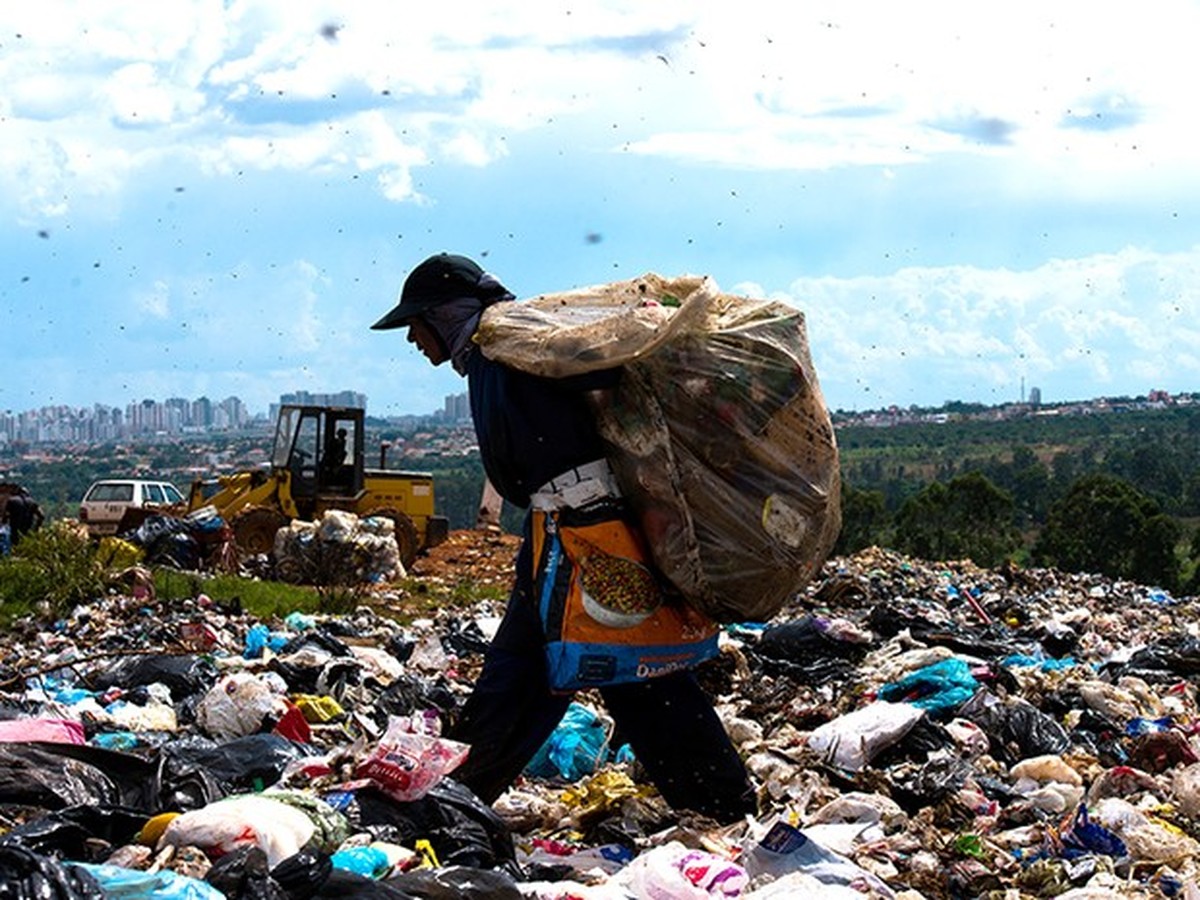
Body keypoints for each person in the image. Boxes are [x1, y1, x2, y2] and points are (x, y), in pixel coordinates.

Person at [372, 252, 756, 823]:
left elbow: (611, 376)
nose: (413, 341)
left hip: (593, 534)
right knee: (526, 671)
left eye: (415, 325)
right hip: (558, 534)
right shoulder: (494, 353)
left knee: (637, 674)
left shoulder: (513, 347)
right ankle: (458, 800)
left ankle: (724, 805)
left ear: (445, 313)